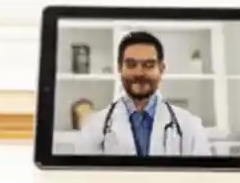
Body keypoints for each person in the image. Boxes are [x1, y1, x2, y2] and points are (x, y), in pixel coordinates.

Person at [76, 32, 213, 156]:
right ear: (119, 68)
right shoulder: (94, 127)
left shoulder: (190, 126)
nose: (139, 73)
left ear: (161, 69)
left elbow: (202, 175)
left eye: (148, 65)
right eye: (131, 64)